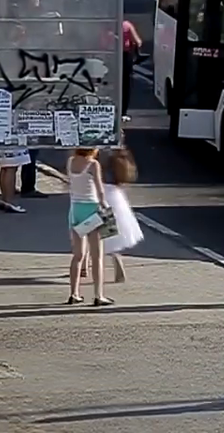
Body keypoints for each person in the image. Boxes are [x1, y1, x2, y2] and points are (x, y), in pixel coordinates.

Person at [67, 148, 113, 306]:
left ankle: (74, 293)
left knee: (78, 255)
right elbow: (100, 190)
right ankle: (98, 295)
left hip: (75, 209)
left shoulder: (71, 161)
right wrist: (105, 206)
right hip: (91, 209)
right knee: (97, 256)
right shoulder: (93, 164)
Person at [100, 144, 143, 282]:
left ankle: (83, 267)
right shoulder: (116, 147)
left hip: (99, 193)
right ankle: (115, 263)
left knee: (89, 230)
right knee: (109, 232)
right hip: (114, 194)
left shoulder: (99, 151)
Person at [0, 146, 30, 214]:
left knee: (5, 167)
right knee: (11, 167)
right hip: (12, 141)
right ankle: (9, 201)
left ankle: (4, 199)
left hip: (4, 141)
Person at [121, 19, 142, 122]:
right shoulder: (127, 25)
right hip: (125, 56)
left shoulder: (109, 25)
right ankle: (123, 112)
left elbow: (103, 42)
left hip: (112, 55)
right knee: (126, 84)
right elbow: (138, 42)